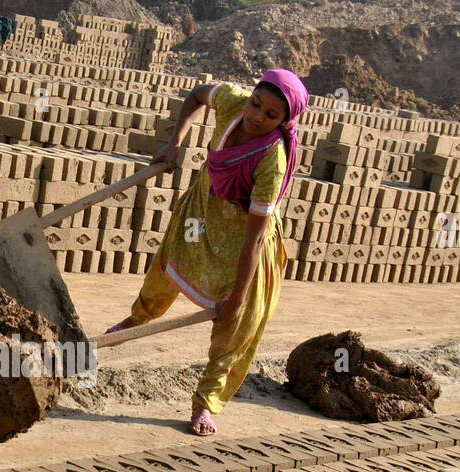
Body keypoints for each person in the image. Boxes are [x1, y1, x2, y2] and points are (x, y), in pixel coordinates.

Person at [107, 70, 309, 437]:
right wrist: (175, 144)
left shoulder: (272, 161)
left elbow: (254, 238)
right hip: (205, 206)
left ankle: (206, 403)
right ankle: (136, 318)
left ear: (285, 121)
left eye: (271, 115)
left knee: (240, 320)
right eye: (256, 104)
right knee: (169, 264)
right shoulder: (232, 101)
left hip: (245, 234)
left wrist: (237, 296)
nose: (257, 116)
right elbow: (197, 96)